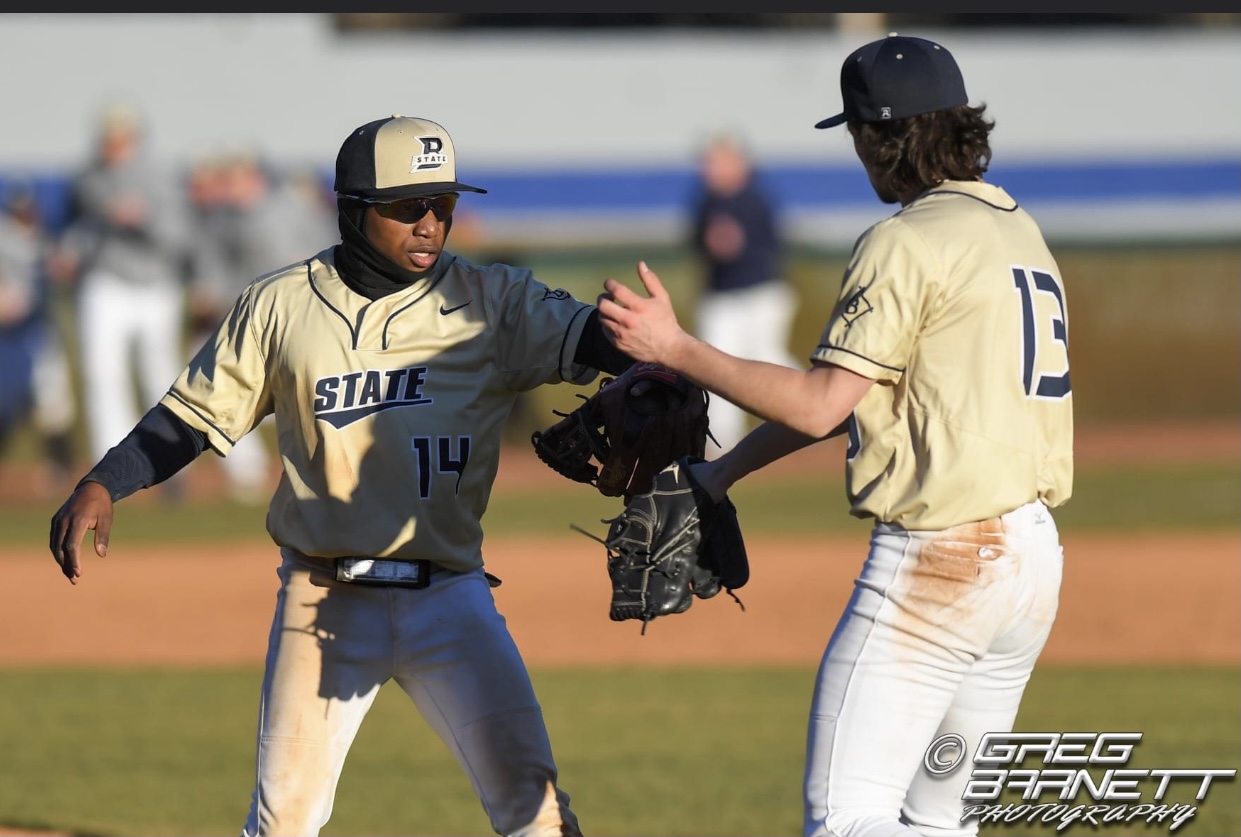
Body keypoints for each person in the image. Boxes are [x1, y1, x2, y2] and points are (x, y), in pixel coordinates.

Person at [49, 114, 637, 836]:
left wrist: (663, 357)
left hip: (451, 597)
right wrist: (105, 480)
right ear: (355, 208)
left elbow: (602, 339)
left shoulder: (492, 302)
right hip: (321, 599)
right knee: (284, 822)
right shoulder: (279, 305)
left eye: (444, 204)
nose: (431, 223)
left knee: (536, 809)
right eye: (408, 206)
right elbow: (191, 417)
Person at [597, 34, 1072, 837]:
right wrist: (721, 474)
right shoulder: (1014, 229)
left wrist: (675, 349)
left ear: (885, 137)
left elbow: (820, 403)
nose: (857, 153)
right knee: (937, 823)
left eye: (857, 133)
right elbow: (866, 399)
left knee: (847, 819)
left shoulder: (906, 240)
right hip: (1029, 562)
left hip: (941, 561)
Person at [52, 101, 191, 470]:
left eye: (119, 135)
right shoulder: (90, 178)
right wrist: (68, 254)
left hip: (156, 283)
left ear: (134, 136)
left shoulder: (162, 175)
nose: (111, 143)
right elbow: (74, 228)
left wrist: (143, 220)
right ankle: (111, 461)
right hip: (106, 279)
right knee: (102, 373)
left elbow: (182, 236)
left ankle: (166, 458)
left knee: (159, 375)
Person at [688, 132, 798, 456]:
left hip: (761, 293)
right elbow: (697, 243)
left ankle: (817, 412)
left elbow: (770, 248)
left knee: (767, 357)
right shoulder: (707, 201)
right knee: (714, 367)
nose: (708, 169)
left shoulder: (754, 198)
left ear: (737, 164)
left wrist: (736, 245)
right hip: (721, 296)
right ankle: (720, 440)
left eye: (715, 162)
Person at [0, 178, 77, 490]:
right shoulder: (5, 239)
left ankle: (61, 468)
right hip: (7, 338)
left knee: (52, 401)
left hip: (39, 332)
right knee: (5, 402)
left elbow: (63, 274)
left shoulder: (45, 240)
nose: (24, 216)